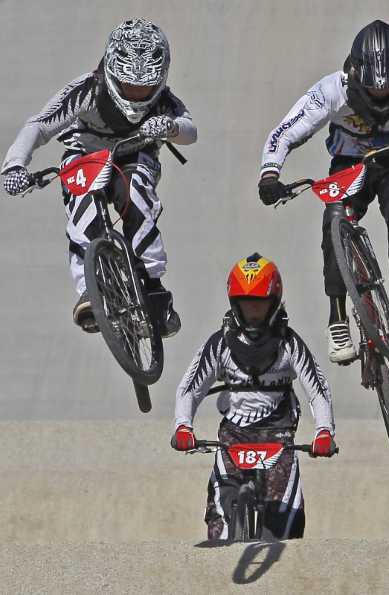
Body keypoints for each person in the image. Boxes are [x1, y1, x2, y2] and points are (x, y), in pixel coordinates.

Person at [256, 19, 389, 364]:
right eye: (372, 89)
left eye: (388, 89)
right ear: (355, 73)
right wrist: (270, 174)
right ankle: (337, 318)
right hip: (350, 164)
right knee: (335, 216)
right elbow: (284, 133)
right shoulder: (332, 89)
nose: (380, 96)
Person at [1, 18, 196, 335]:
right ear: (110, 70)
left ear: (160, 79)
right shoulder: (85, 91)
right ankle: (89, 291)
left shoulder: (164, 101)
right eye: (128, 86)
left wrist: (171, 127)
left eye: (144, 87)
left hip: (135, 155)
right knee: (81, 208)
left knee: (138, 197)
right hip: (85, 156)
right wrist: (14, 166)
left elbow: (191, 132)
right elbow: (39, 126)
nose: (135, 95)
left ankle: (154, 287)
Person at [171, 254, 337, 540]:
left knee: (287, 522)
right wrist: (183, 426)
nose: (254, 313)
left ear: (274, 303)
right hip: (233, 435)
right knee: (219, 522)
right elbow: (190, 388)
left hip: (279, 436)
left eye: (259, 304)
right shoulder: (219, 344)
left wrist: (324, 431)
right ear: (234, 305)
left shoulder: (290, 343)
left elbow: (318, 389)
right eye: (247, 305)